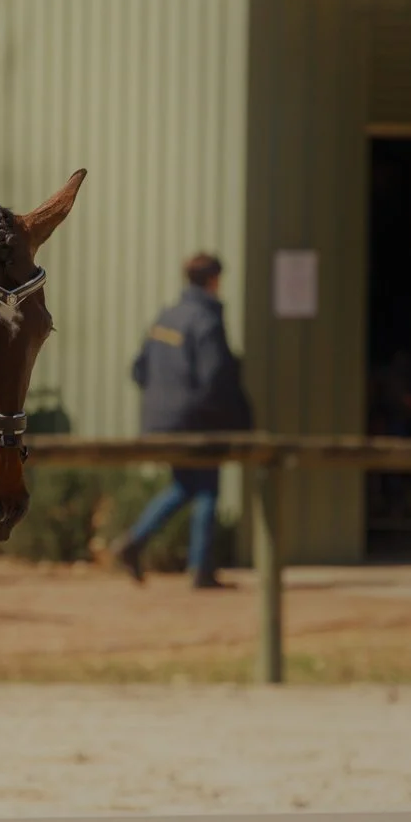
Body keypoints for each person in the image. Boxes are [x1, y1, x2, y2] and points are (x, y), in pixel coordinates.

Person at [116, 252, 253, 589]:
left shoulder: (166, 317)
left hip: (161, 422)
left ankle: (134, 542)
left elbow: (138, 370)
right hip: (197, 421)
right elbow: (216, 377)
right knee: (206, 490)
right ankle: (200, 569)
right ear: (214, 280)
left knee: (185, 487)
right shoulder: (206, 319)